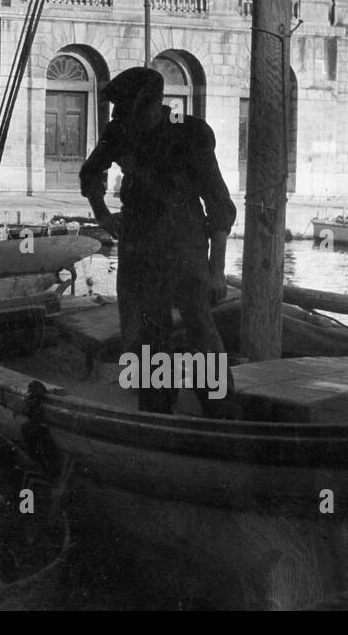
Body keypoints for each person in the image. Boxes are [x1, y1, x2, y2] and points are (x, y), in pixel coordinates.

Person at [79, 67, 237, 415]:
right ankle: (155, 412)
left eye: (135, 112)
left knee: (200, 331)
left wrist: (217, 271)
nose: (128, 121)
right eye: (122, 114)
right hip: (138, 247)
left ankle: (221, 413)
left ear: (156, 104)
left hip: (186, 246)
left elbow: (219, 204)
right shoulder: (120, 130)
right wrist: (103, 214)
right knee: (144, 336)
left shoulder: (191, 133)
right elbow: (90, 171)